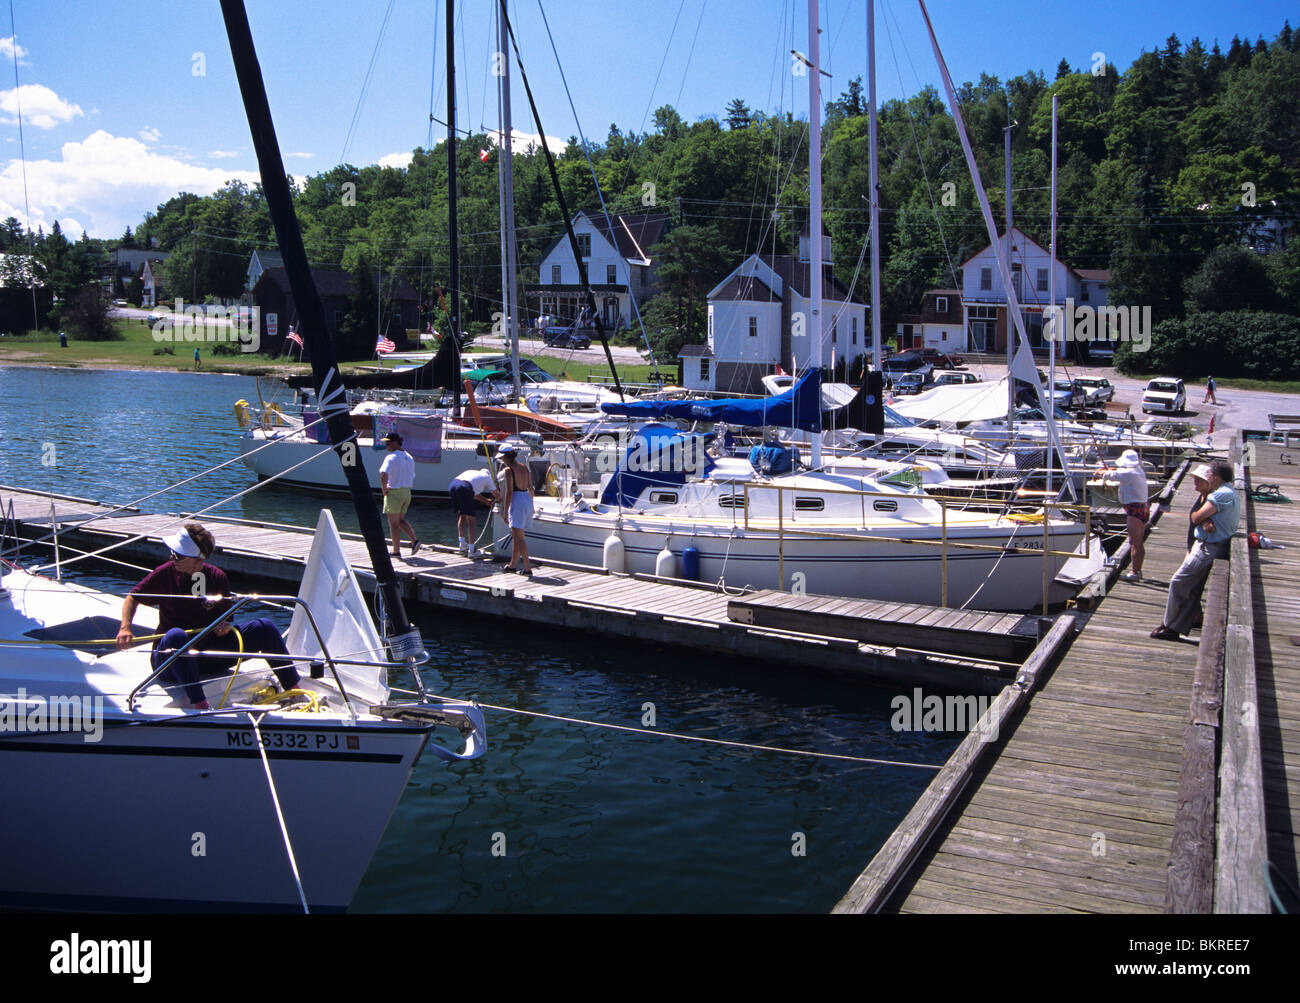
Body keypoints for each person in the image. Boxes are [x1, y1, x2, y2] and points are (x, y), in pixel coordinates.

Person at [115, 522, 300, 710]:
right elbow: (133, 597)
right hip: (170, 660)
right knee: (176, 635)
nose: (172, 557)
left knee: (264, 627)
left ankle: (295, 691)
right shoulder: (165, 573)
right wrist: (125, 628)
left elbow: (226, 620)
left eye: (178, 555)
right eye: (173, 553)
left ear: (197, 560)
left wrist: (224, 627)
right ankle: (200, 705)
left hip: (206, 654)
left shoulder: (217, 578)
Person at [1150, 462, 1239, 641]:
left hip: (1208, 546)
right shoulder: (1227, 492)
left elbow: (1196, 516)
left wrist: (1202, 519)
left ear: (1216, 477)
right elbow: (1199, 518)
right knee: (1190, 587)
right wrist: (1205, 521)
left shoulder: (1221, 494)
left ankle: (1169, 626)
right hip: (1209, 545)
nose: (1208, 479)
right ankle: (1177, 624)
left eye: (1210, 476)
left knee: (1178, 582)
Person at [1096, 449, 1149, 581]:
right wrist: (1109, 469)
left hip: (1134, 509)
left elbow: (1113, 475)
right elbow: (1119, 472)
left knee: (1134, 543)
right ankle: (1138, 571)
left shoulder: (1129, 473)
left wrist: (1102, 472)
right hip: (1142, 508)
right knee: (1138, 542)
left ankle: (1134, 572)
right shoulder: (1137, 470)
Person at [379, 431, 420, 558]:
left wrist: (384, 489)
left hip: (394, 493)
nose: (386, 445)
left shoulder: (391, 457)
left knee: (393, 524)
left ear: (396, 442)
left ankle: (396, 551)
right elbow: (412, 475)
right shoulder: (409, 457)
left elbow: (383, 473)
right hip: (407, 493)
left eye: (388, 443)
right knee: (400, 520)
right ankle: (415, 541)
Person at [499, 444, 534, 576]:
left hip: (517, 500)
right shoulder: (524, 467)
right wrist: (532, 505)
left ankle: (527, 568)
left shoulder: (508, 470)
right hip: (526, 499)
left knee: (519, 538)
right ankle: (512, 565)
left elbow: (509, 492)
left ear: (504, 457)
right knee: (516, 535)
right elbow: (531, 487)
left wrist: (505, 510)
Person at [448, 467, 499, 557]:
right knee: (471, 520)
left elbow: (474, 494)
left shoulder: (473, 473)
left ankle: (462, 545)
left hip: (453, 485)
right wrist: (503, 502)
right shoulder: (487, 478)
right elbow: (496, 494)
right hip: (465, 488)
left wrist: (486, 501)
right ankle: (472, 551)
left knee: (462, 515)